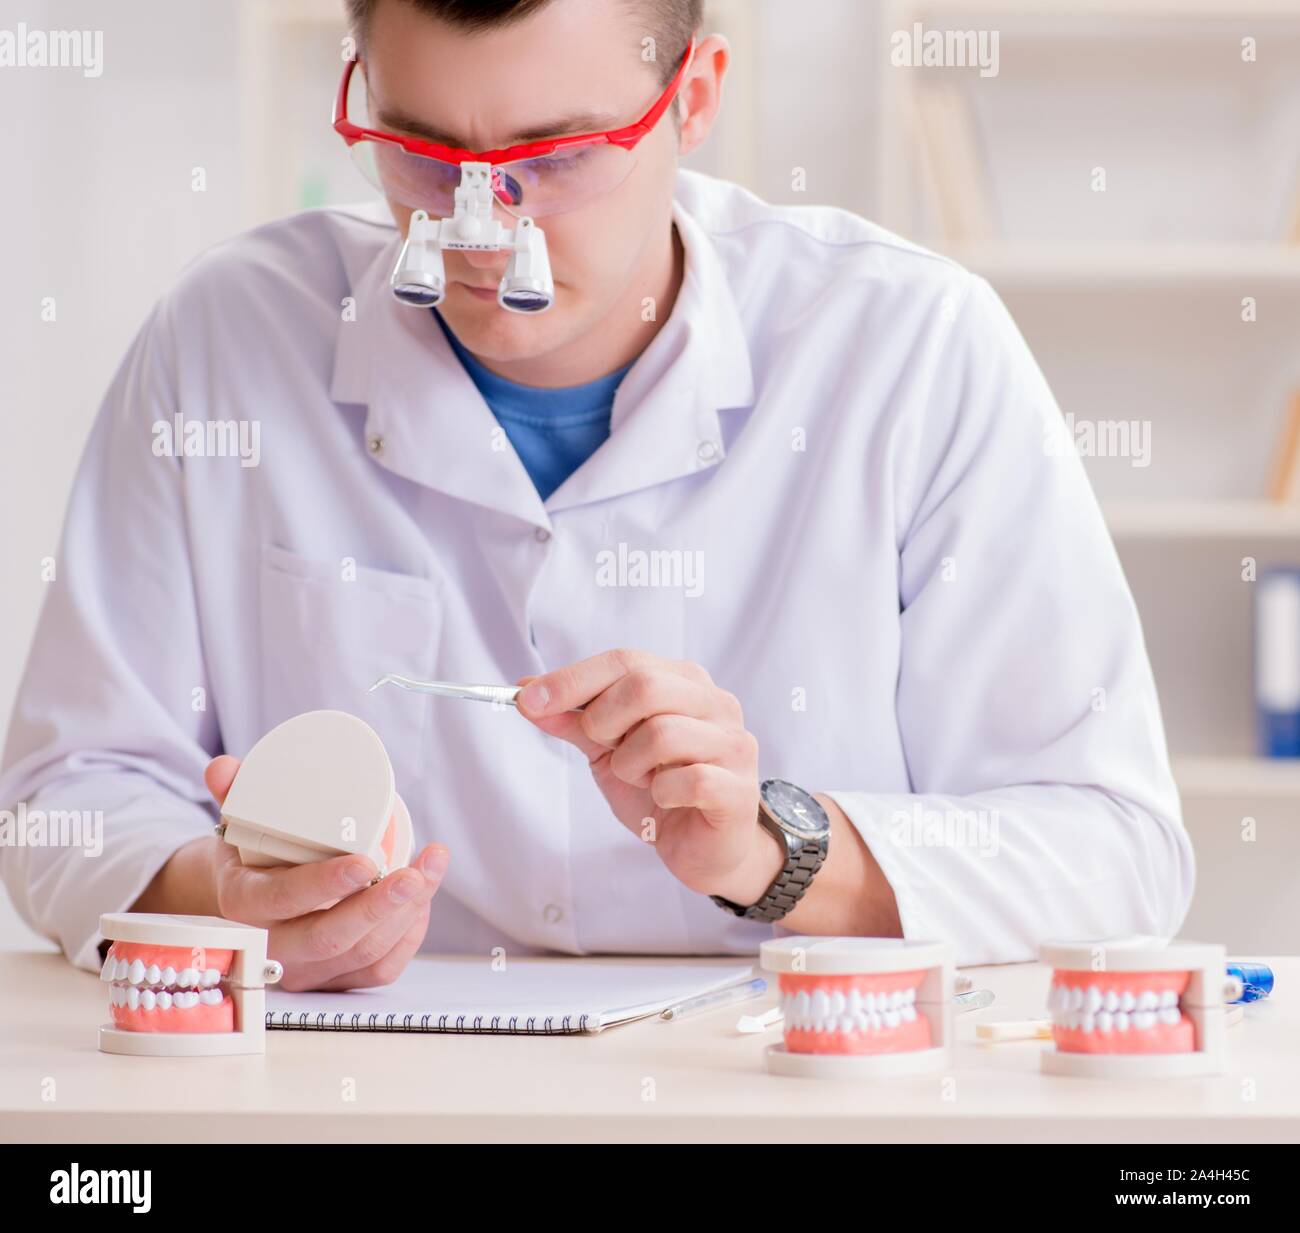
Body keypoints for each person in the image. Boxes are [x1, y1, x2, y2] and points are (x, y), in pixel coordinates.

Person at [0, 0, 1192, 991]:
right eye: (422, 150)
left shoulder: (908, 345)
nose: (478, 233)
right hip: (355, 1094)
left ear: (695, 94)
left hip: (780, 1091)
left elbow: (1114, 849)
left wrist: (773, 848)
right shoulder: (228, 337)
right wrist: (239, 902)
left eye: (553, 158)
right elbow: (71, 794)